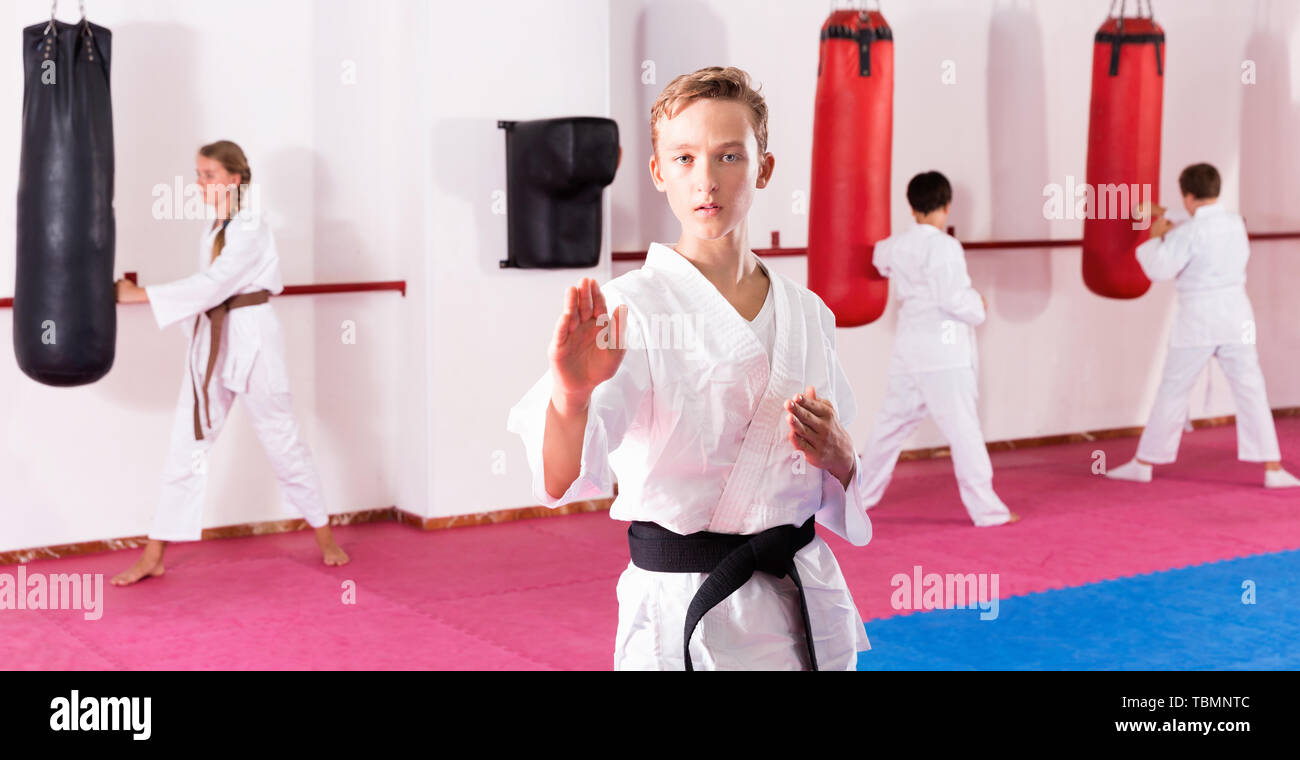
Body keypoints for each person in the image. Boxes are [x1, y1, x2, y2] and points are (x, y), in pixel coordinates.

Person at [506, 66, 872, 670]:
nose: (707, 180)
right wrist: (572, 398)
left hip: (800, 599)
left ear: (764, 167)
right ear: (658, 173)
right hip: (685, 612)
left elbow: (840, 493)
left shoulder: (808, 313)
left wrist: (841, 456)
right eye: (683, 159)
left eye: (729, 156)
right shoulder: (632, 306)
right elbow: (559, 481)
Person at [110, 140, 349, 586]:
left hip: (255, 341)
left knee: (282, 442)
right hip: (214, 344)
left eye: (209, 175)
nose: (200, 183)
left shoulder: (251, 227)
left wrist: (142, 294)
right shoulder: (212, 228)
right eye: (198, 175)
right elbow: (207, 292)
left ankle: (325, 537)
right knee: (186, 444)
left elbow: (215, 283)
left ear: (235, 179)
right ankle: (154, 554)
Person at [1106, 162, 1300, 488]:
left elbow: (1159, 270)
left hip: (1198, 321)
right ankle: (1273, 468)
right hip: (1237, 317)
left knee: (1173, 391)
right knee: (1251, 390)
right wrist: (1166, 220)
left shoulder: (1189, 232)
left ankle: (1143, 464)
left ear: (1189, 196)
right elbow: (1201, 226)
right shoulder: (1235, 223)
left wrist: (1153, 238)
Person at [856, 171, 1019, 527]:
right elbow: (953, 299)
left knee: (889, 428)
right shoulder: (944, 246)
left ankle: (859, 499)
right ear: (946, 207)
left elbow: (879, 260)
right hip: (944, 353)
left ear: (912, 208)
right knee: (963, 430)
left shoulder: (894, 245)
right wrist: (979, 305)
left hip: (910, 348)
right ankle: (987, 510)